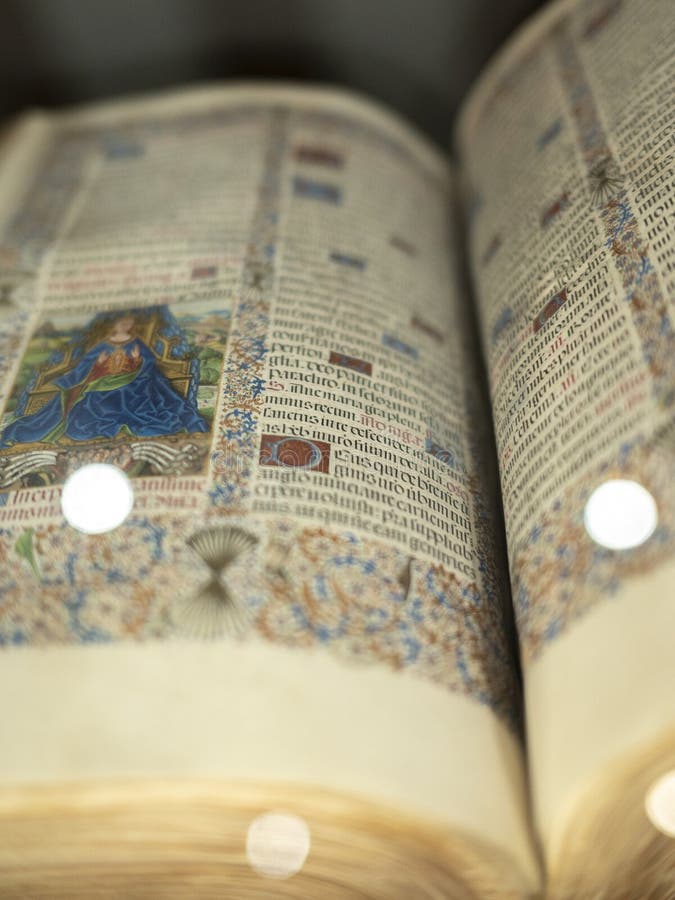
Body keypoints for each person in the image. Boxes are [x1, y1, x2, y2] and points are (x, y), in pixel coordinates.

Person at [0, 315, 208, 447]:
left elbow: (149, 362)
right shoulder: (104, 344)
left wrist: (138, 360)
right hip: (103, 378)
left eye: (129, 323)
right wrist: (98, 364)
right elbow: (86, 365)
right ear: (116, 325)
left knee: (134, 389)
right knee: (89, 392)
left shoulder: (135, 342)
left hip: (132, 378)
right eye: (123, 322)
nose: (126, 325)